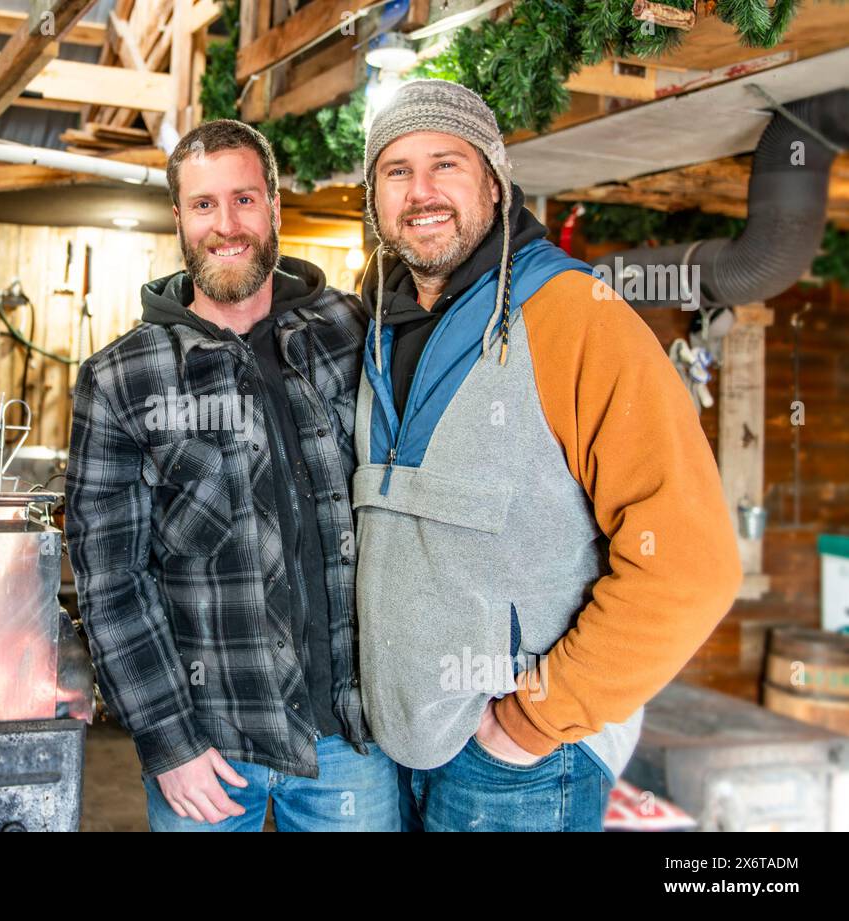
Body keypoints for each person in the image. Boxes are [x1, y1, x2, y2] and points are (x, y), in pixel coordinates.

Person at [353, 79, 742, 831]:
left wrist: (529, 723)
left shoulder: (576, 317)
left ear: (494, 185)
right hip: (403, 749)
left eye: (447, 165)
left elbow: (693, 565)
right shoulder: (380, 326)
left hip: (524, 763)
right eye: (396, 172)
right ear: (373, 199)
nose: (421, 191)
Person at [65, 119, 398, 831]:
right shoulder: (122, 378)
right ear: (181, 220)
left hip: (351, 733)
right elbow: (110, 579)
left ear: (275, 207)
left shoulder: (345, 330)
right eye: (205, 205)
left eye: (244, 199)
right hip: (209, 747)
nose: (227, 225)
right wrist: (166, 737)